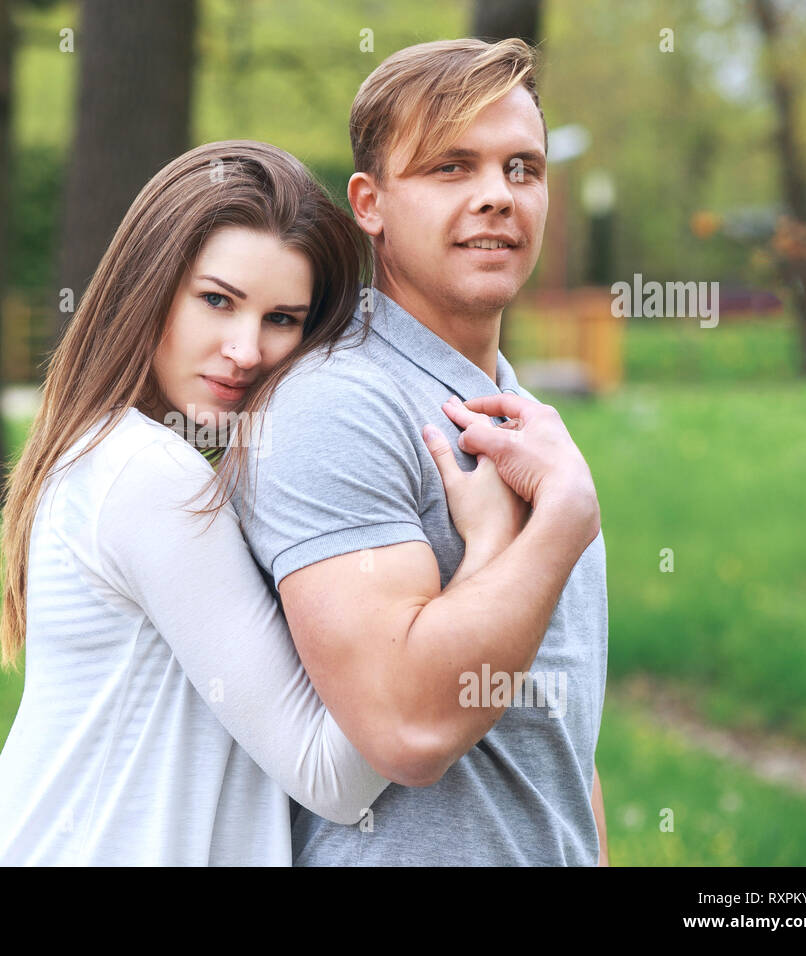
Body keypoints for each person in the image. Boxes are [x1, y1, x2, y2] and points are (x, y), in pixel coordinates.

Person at [0, 140, 528, 866]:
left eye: (282, 319)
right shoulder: (148, 475)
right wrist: (489, 554)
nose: (245, 349)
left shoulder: (115, 452)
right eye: (216, 301)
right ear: (147, 285)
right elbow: (333, 775)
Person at [233, 38, 612, 865]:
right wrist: (561, 524)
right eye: (451, 168)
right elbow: (406, 727)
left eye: (523, 169)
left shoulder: (526, 422)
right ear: (369, 202)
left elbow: (563, 742)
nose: (497, 197)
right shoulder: (336, 405)